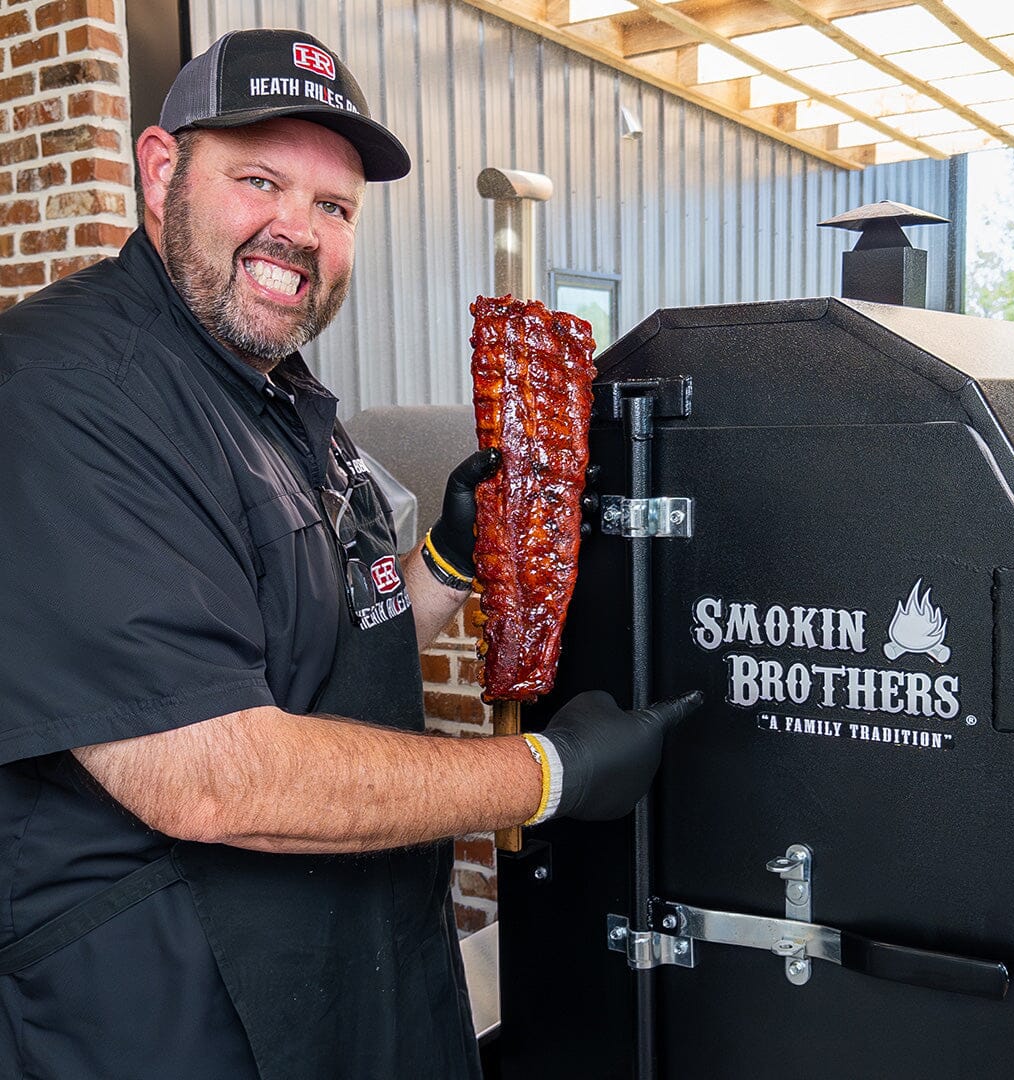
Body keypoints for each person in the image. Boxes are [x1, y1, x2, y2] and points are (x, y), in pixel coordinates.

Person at [0, 28, 700, 1080]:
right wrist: (548, 774)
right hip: (182, 1018)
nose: (298, 230)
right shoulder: (67, 391)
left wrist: (449, 564)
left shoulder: (276, 388)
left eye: (333, 208)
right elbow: (206, 775)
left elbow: (324, 644)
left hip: (354, 978)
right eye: (260, 180)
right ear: (160, 171)